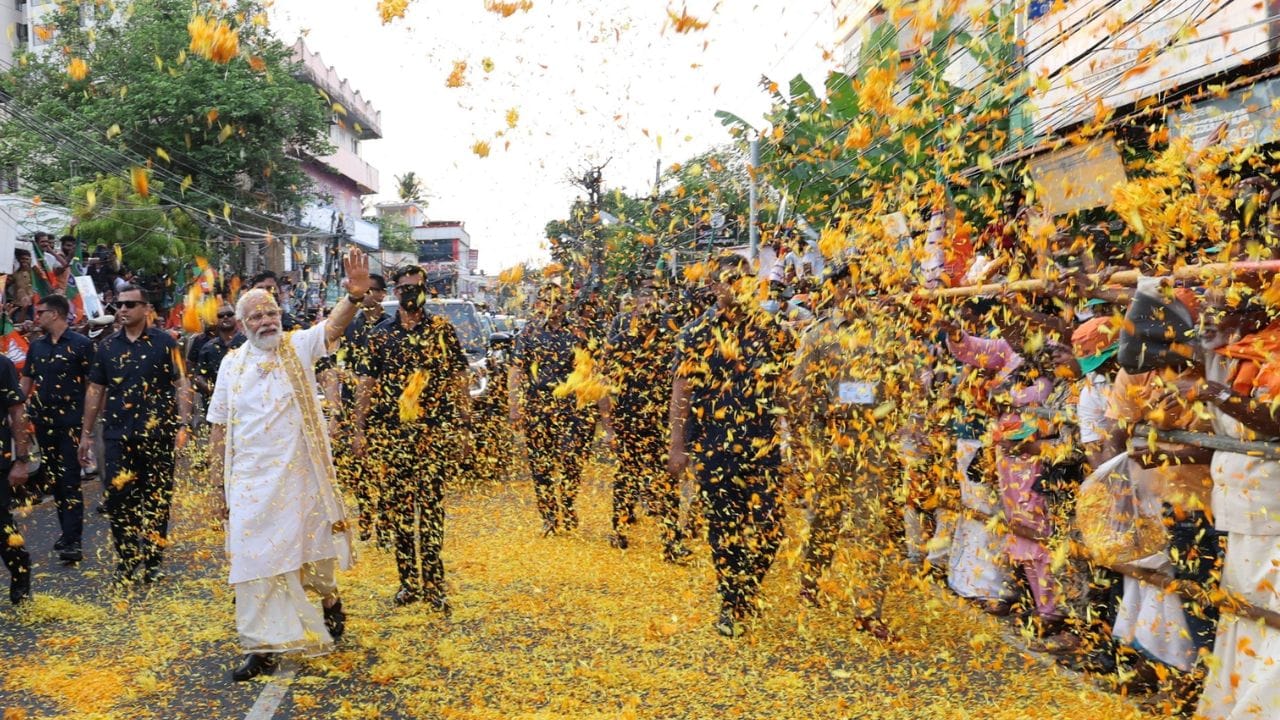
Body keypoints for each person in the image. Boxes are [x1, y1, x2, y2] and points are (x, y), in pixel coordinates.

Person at [207, 248, 370, 682]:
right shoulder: (231, 365)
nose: (266, 321)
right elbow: (218, 427)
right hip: (249, 485)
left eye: (271, 313)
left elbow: (332, 327)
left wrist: (354, 296)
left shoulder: (297, 347)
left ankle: (330, 600)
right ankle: (261, 647)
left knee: (313, 558)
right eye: (256, 316)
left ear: (280, 315)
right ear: (243, 325)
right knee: (251, 564)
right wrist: (217, 486)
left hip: (300, 479)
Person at [668, 253, 794, 637]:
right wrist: (677, 446)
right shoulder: (695, 333)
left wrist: (796, 439)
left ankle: (747, 588)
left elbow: (786, 386)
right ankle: (731, 601)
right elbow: (681, 391)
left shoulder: (771, 329)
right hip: (714, 446)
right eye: (730, 279)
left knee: (771, 528)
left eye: (744, 277)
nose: (738, 285)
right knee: (725, 528)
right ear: (714, 286)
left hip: (762, 445)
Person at [790, 260, 907, 640]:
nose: (856, 291)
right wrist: (806, 440)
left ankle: (869, 610)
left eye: (863, 284)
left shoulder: (886, 332)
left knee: (871, 525)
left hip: (872, 444)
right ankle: (811, 578)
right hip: (829, 442)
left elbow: (901, 383)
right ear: (836, 289)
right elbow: (799, 388)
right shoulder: (818, 334)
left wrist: (888, 405)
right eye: (849, 285)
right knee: (825, 519)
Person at [354, 266, 470, 611]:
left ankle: (434, 584)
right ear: (395, 291)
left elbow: (459, 377)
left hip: (432, 432)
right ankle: (407, 583)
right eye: (404, 288)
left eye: (415, 287)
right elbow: (366, 384)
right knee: (400, 511)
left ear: (425, 290)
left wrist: (464, 425)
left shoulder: (441, 330)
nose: (409, 293)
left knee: (431, 510)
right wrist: (358, 429)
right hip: (393, 435)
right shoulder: (380, 334)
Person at [78, 284, 193, 586]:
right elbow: (95, 390)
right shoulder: (106, 347)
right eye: (119, 304)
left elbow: (182, 383)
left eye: (130, 304)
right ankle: (127, 561)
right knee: (119, 502)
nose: (123, 309)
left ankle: (153, 562)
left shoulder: (165, 343)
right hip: (118, 438)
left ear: (146, 309)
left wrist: (183, 424)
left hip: (158, 436)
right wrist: (86, 434)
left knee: (156, 501)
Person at [600, 274, 687, 560]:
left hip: (661, 422)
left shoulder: (672, 341)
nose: (650, 301)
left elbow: (681, 386)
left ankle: (672, 541)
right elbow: (604, 387)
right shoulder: (620, 342)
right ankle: (619, 529)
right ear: (635, 303)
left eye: (655, 296)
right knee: (627, 477)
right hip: (628, 421)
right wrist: (609, 428)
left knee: (667, 480)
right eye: (645, 295)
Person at [509, 283, 593, 535]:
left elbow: (589, 369)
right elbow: (516, 369)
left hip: (571, 406)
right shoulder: (529, 332)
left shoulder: (577, 332)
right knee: (540, 462)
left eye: (558, 302)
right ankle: (548, 515)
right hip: (538, 406)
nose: (553, 307)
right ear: (539, 304)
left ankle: (567, 502)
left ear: (565, 305)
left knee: (571, 458)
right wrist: (515, 406)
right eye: (548, 302)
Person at [21, 294, 93, 564]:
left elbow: (93, 386)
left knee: (70, 480)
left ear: (55, 314)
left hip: (71, 423)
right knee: (56, 481)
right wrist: (16, 408)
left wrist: (88, 427)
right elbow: (26, 382)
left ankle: (74, 541)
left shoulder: (82, 345)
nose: (36, 317)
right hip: (43, 423)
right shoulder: (36, 347)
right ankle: (67, 531)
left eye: (40, 312)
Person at [333, 273, 386, 542]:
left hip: (385, 408)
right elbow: (343, 361)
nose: (366, 296)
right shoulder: (352, 326)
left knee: (386, 467)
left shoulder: (391, 325)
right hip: (356, 406)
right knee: (360, 466)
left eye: (371, 291)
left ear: (382, 294)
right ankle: (366, 517)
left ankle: (386, 523)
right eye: (363, 292)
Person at [0, 352, 32, 604]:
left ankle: (20, 569)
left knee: (1, 526)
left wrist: (21, 460)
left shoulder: (2, 364)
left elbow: (17, 411)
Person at [193, 302, 244, 399]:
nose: (225, 317)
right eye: (220, 315)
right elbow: (199, 376)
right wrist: (212, 390)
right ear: (216, 320)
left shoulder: (247, 342)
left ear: (236, 317)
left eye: (229, 314)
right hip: (217, 402)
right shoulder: (208, 348)